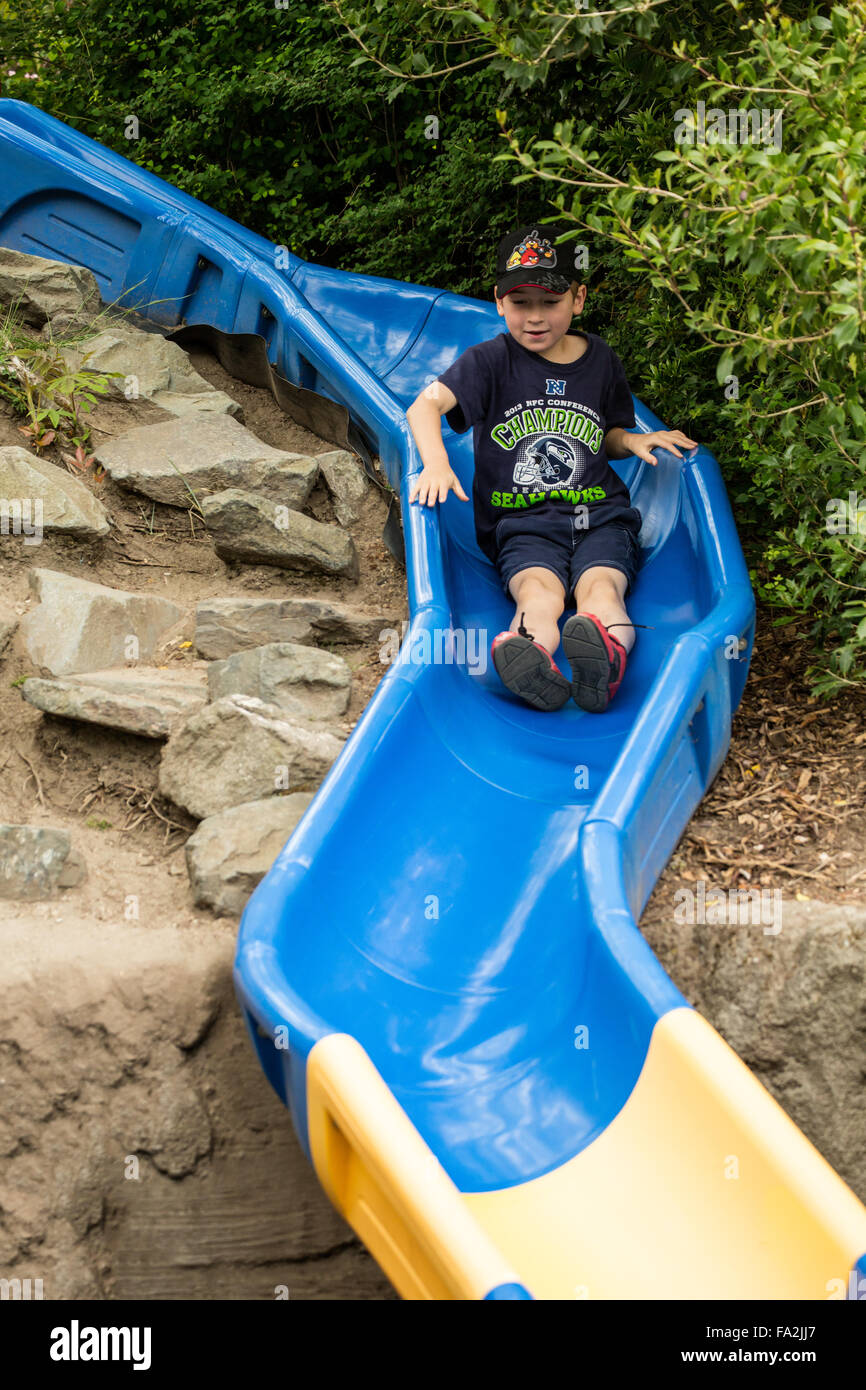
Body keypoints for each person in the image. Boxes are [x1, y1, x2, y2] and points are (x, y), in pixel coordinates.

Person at [406, 221, 697, 712]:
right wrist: (435, 463)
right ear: (499, 302)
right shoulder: (488, 362)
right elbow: (424, 406)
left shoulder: (601, 359)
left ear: (578, 299)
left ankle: (605, 654)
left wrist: (637, 438)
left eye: (550, 302)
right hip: (522, 522)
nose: (535, 317)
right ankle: (531, 653)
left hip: (600, 515)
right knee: (537, 591)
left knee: (601, 588)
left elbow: (610, 435)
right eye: (521, 303)